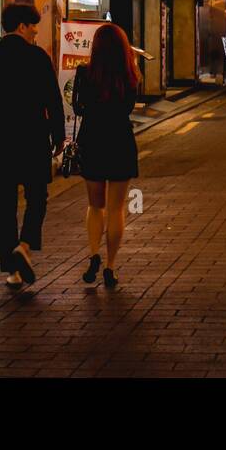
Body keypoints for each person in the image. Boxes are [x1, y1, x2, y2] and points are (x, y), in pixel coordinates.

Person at [0, 3, 65, 289]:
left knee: (5, 205)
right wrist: (59, 137)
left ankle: (12, 271)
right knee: (37, 197)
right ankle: (25, 244)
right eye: (33, 26)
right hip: (33, 140)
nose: (35, 31)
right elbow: (52, 101)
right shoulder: (37, 58)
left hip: (0, 143)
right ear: (21, 26)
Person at [72, 23, 141, 289]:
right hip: (120, 141)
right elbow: (128, 106)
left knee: (95, 205)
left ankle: (94, 253)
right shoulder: (130, 74)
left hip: (93, 140)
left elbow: (78, 108)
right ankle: (111, 267)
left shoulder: (84, 73)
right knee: (116, 209)